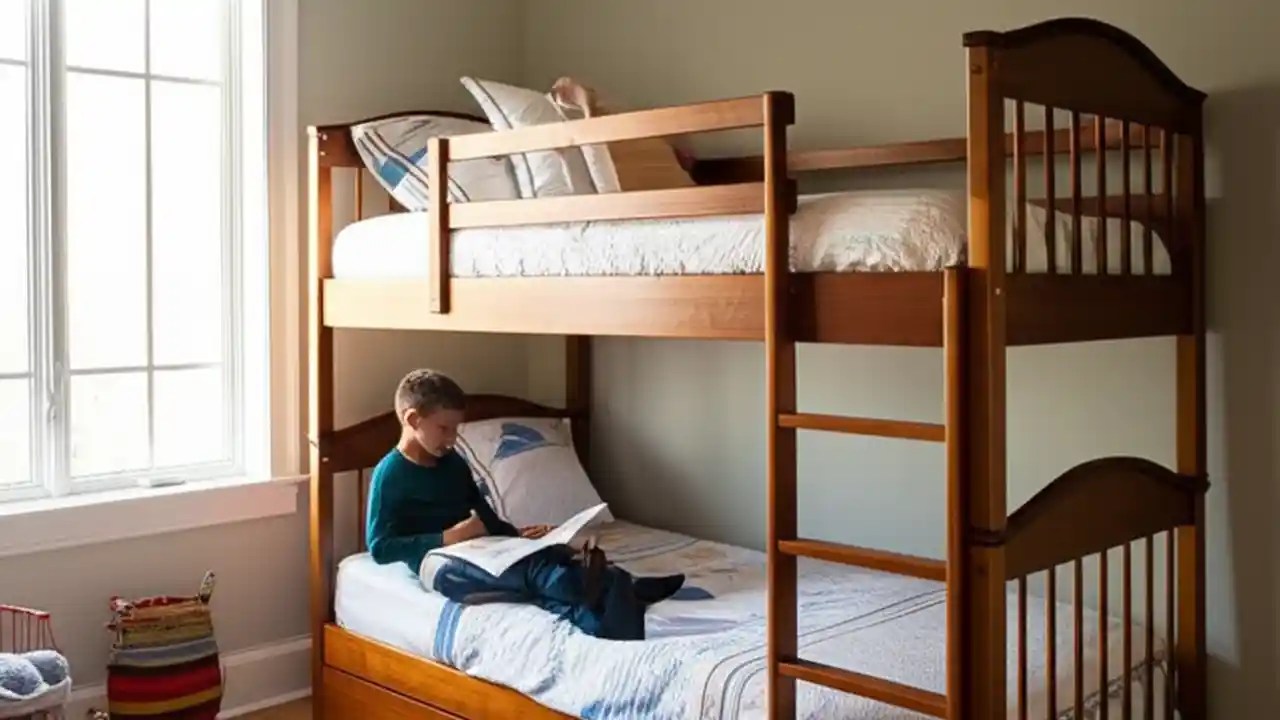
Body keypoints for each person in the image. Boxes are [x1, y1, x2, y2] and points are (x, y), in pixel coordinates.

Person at [366, 368, 684, 640]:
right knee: (533, 571)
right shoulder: (390, 474)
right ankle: (620, 587)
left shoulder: (453, 462)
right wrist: (446, 538)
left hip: (481, 550)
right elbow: (380, 548)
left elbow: (485, 515)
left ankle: (602, 611)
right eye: (443, 429)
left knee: (544, 556)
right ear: (412, 419)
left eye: (456, 430)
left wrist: (523, 537)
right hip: (438, 563)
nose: (452, 439)